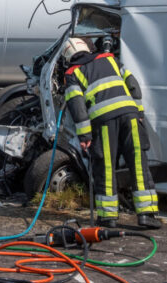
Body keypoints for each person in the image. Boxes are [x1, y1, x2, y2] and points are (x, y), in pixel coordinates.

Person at [62, 36, 160, 229]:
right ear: (87, 48)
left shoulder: (72, 73)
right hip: (130, 116)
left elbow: (77, 106)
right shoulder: (109, 59)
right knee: (138, 163)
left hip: (104, 121)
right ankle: (147, 215)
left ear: (68, 57)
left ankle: (108, 217)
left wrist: (85, 135)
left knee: (105, 167)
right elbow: (133, 84)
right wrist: (139, 112)